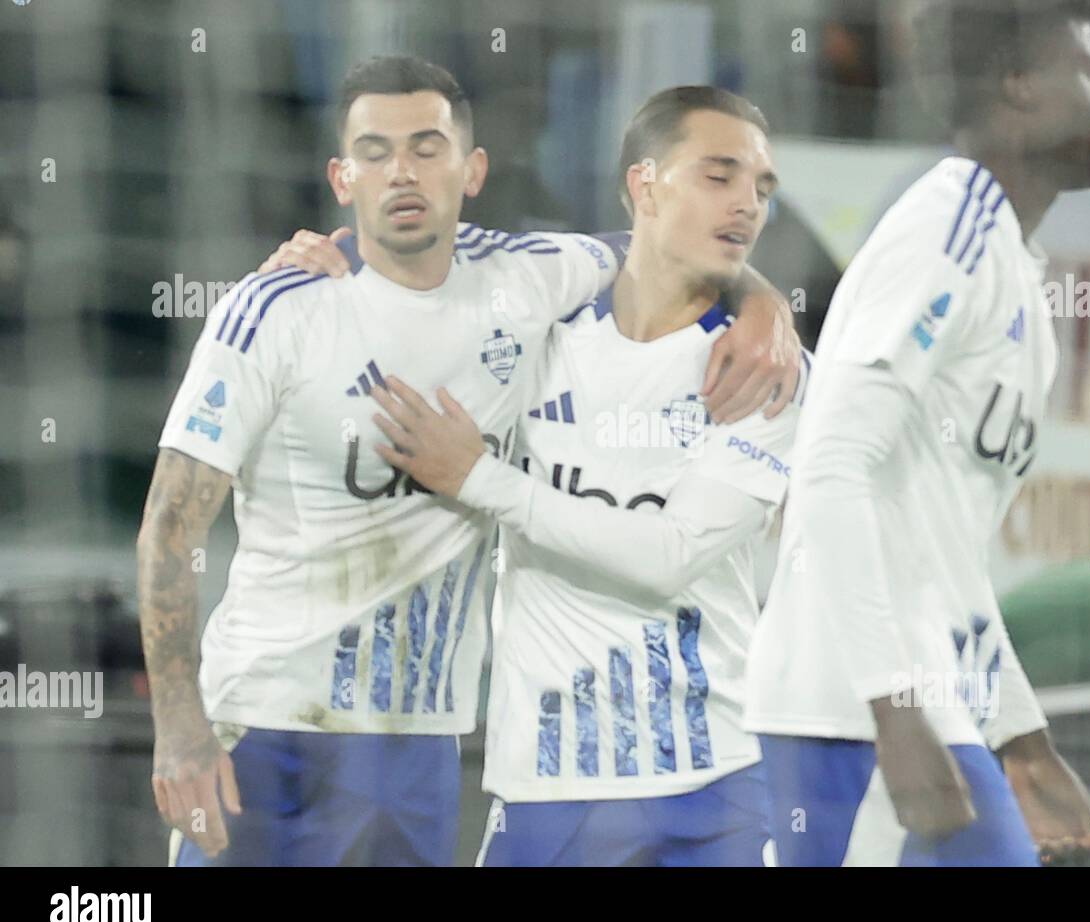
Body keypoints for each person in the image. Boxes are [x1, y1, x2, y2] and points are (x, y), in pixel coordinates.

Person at [138, 56, 795, 866]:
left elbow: (667, 240)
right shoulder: (275, 310)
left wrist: (766, 304)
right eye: (375, 152)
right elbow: (170, 526)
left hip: (419, 746)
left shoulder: (526, 281)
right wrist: (178, 729)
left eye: (427, 147)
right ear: (341, 178)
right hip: (269, 724)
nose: (402, 171)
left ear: (472, 169)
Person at [365, 87, 808, 866]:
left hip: (713, 784)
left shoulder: (766, 368)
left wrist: (480, 478)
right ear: (644, 184)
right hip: (549, 785)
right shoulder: (536, 322)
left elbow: (670, 555)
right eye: (719, 176)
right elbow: (409, 255)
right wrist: (317, 257)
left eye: (762, 189)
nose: (748, 205)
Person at [744, 0, 1090, 866]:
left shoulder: (1017, 273)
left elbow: (944, 553)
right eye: (1089, 72)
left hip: (922, 703)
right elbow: (831, 465)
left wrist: (1021, 738)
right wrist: (893, 712)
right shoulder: (946, 226)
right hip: (848, 714)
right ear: (1021, 86)